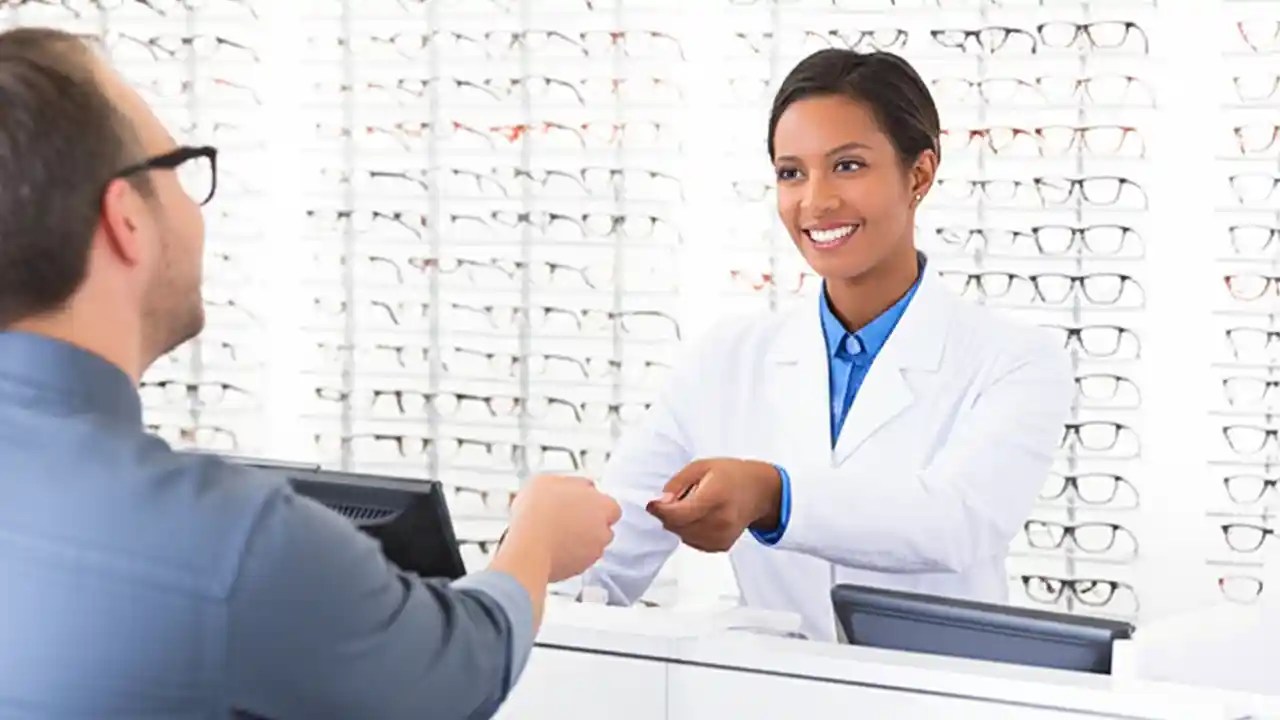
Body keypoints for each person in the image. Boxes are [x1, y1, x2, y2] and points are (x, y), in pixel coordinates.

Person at [0, 27, 621, 720]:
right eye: (179, 166)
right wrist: (537, 539)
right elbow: (454, 673)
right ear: (127, 220)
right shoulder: (227, 543)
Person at [582, 48, 1075, 642]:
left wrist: (775, 495)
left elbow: (956, 521)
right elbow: (611, 547)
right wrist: (537, 556)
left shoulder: (1015, 361)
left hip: (937, 686)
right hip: (774, 687)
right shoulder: (726, 359)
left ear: (919, 175)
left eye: (848, 166)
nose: (815, 201)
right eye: (792, 173)